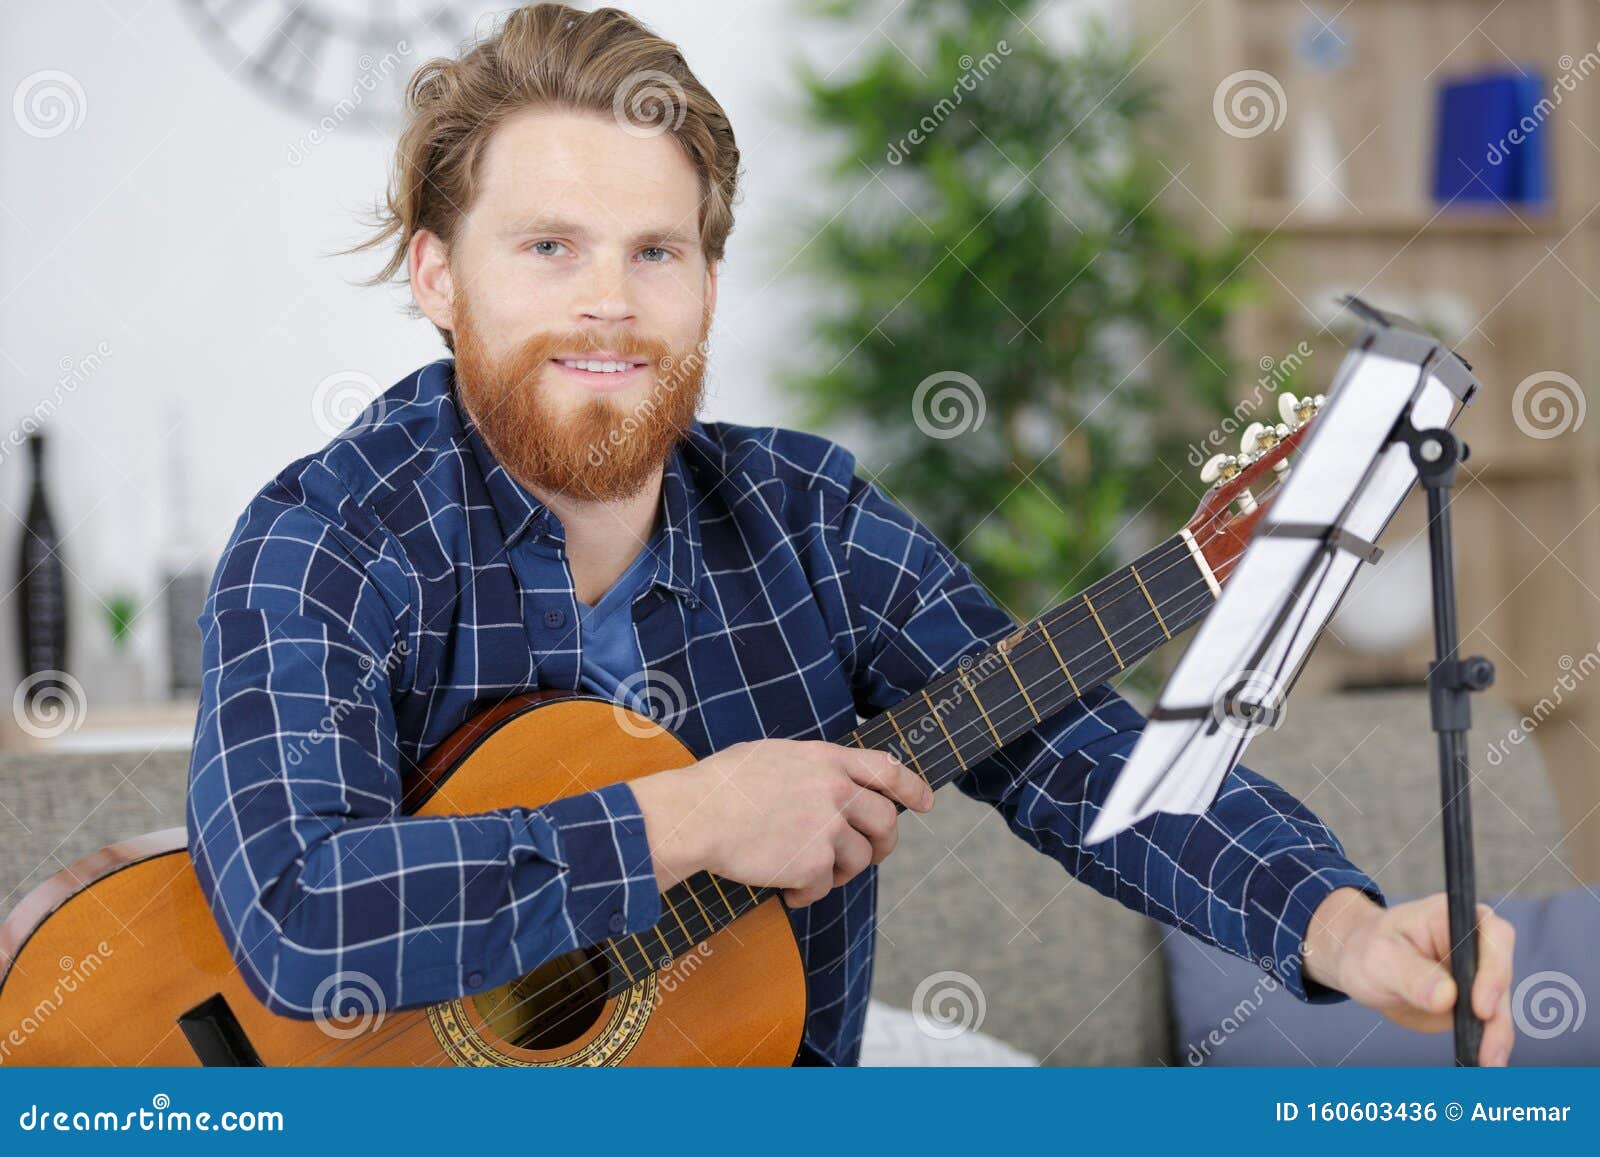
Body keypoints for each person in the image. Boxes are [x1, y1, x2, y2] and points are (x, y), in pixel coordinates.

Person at [185, 2, 1515, 1067]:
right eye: (548, 247)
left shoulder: (811, 521)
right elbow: (301, 911)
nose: (610, 303)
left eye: (657, 251)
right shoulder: (326, 541)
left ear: (708, 281)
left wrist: (1339, 924)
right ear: (437, 274)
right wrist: (690, 815)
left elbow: (1074, 750)